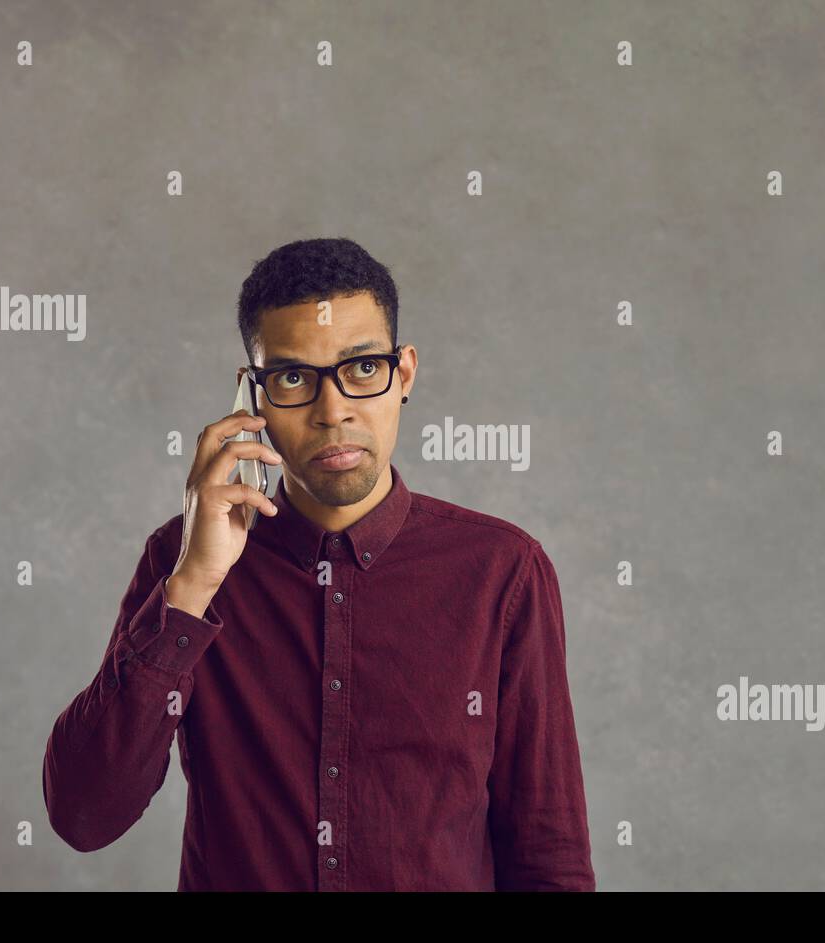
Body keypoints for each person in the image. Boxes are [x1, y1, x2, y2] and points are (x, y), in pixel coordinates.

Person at [42, 237, 595, 891]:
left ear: (405, 373)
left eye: (363, 368)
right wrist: (192, 585)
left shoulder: (502, 571)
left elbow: (548, 854)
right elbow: (84, 815)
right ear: (252, 397)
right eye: (294, 378)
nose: (334, 411)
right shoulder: (183, 560)